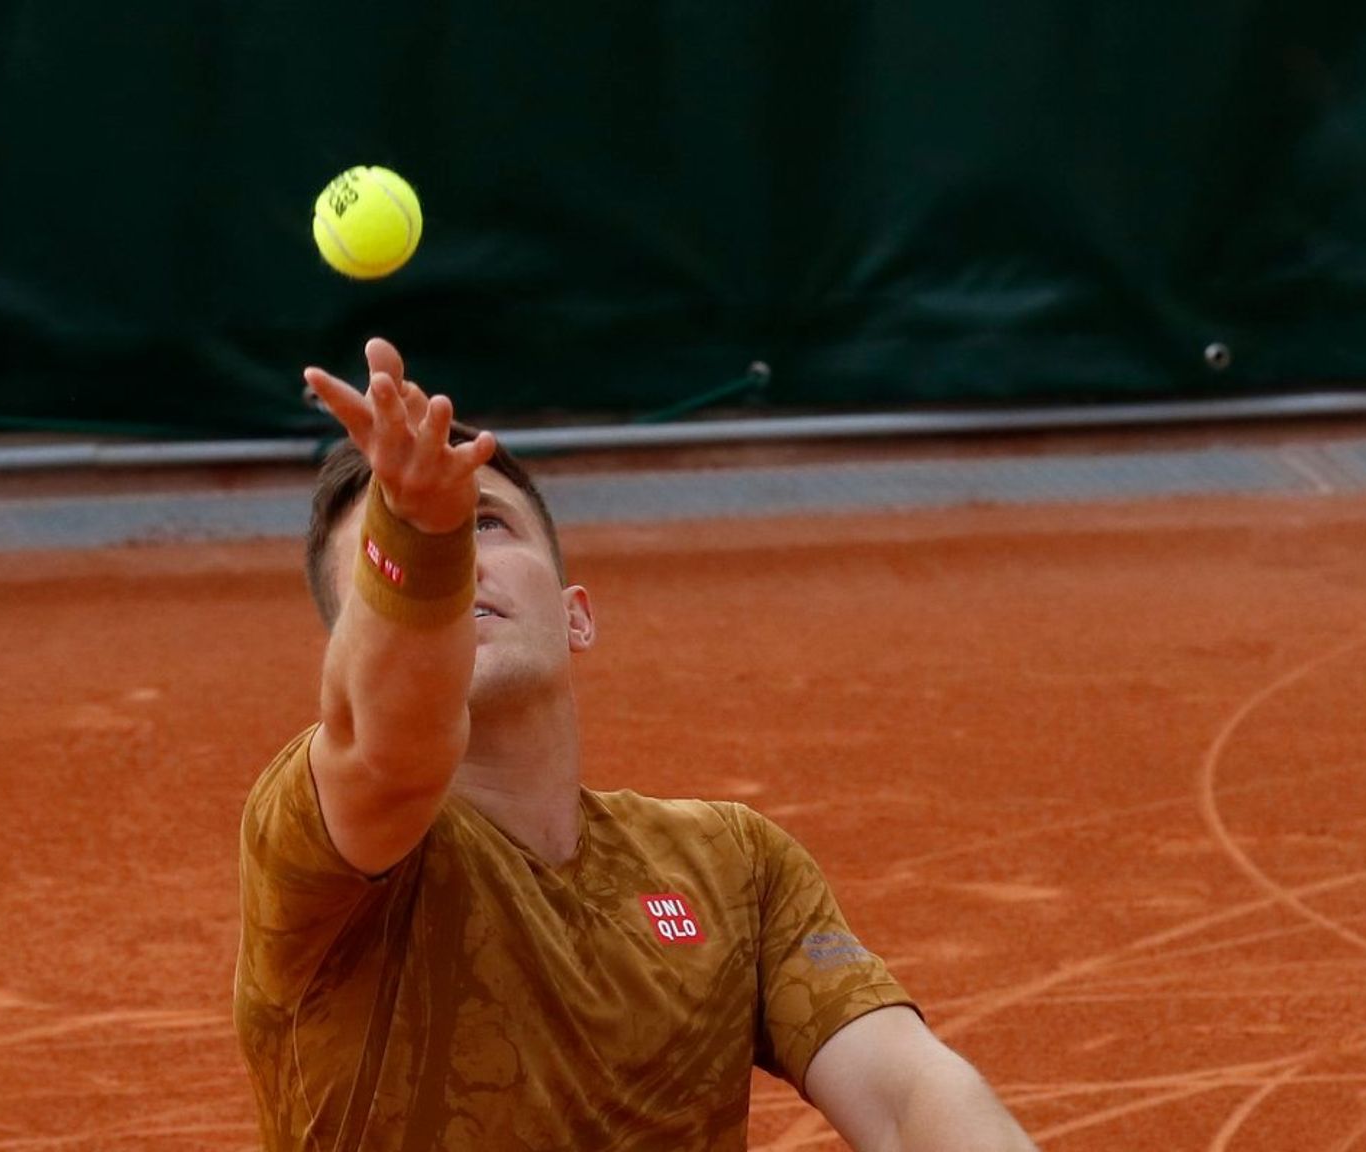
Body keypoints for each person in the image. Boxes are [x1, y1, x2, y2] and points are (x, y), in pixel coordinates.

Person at [234, 337, 1038, 1151]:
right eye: (388, 555)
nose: (458, 557)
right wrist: (418, 543)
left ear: (576, 613)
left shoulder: (735, 865)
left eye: (484, 524)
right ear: (349, 653)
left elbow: (907, 1097)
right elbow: (392, 736)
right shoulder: (322, 843)